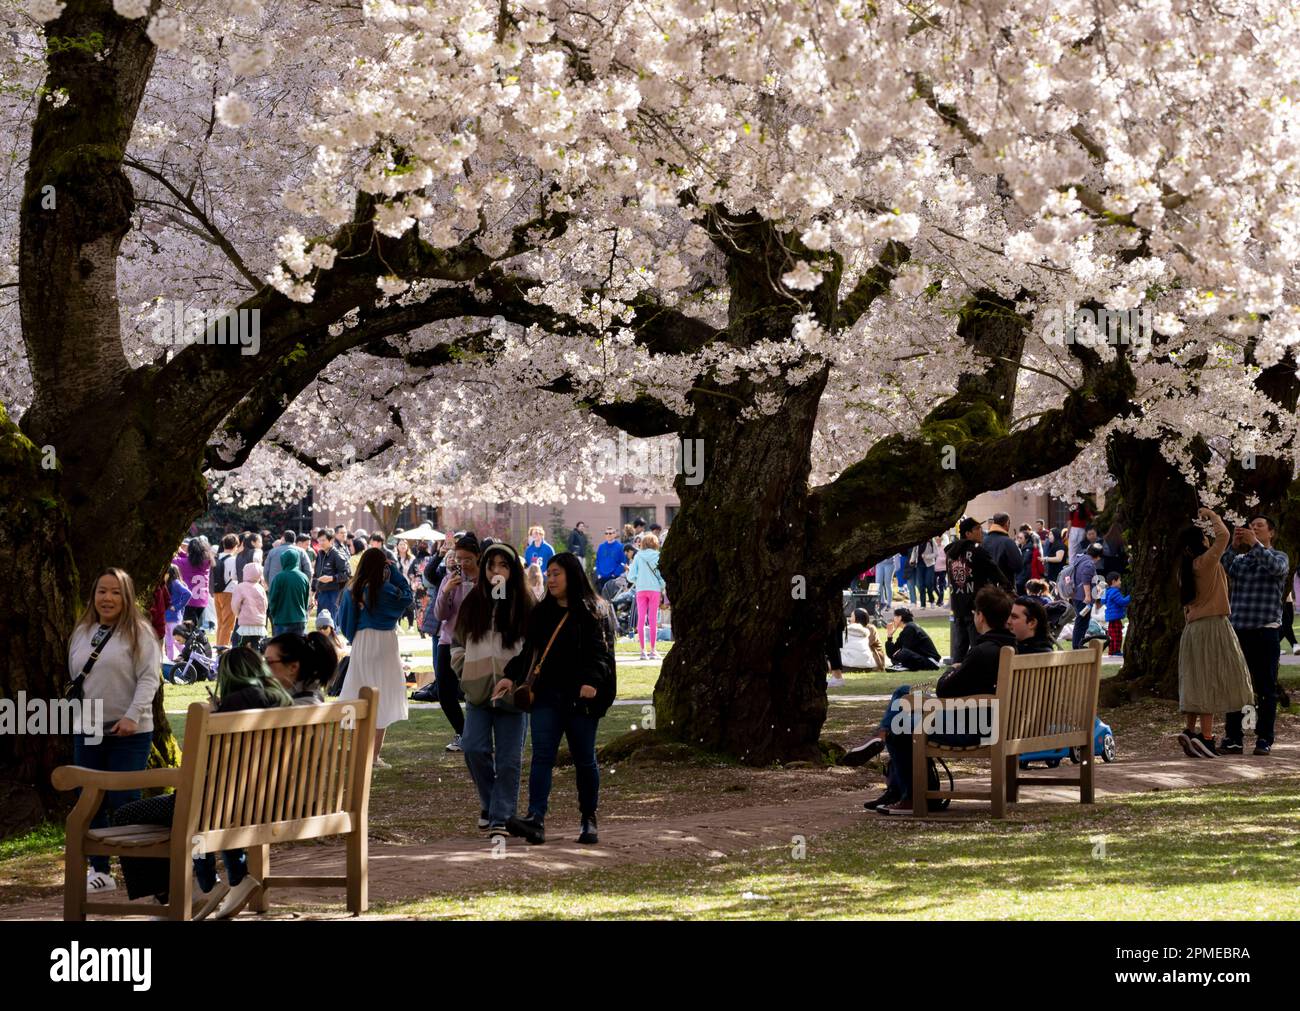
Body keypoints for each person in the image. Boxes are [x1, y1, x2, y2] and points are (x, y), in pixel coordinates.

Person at [109, 646, 294, 919]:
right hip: (262, 800)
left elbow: (201, 762)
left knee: (127, 814)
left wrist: (215, 713)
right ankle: (213, 882)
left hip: (217, 803)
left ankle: (171, 894)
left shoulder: (234, 704)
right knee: (197, 816)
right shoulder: (283, 700)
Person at [866, 588, 1018, 813]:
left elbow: (945, 690)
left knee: (900, 726)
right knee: (904, 692)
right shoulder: (1014, 647)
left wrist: (952, 670)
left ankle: (911, 795)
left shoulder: (984, 651)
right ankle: (900, 783)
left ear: (981, 616)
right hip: (998, 722)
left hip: (976, 727)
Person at [502, 553, 616, 846]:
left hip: (581, 699)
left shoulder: (595, 611)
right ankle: (535, 819)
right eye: (549, 574)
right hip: (547, 696)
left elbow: (601, 653)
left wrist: (591, 682)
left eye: (557, 574)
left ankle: (588, 818)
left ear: (572, 575)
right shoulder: (542, 613)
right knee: (541, 755)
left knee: (584, 759)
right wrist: (510, 675)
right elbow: (530, 652)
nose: (550, 580)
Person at [67, 568, 161, 896]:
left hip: (129, 733)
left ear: (127, 597)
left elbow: (150, 678)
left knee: (125, 802)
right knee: (88, 800)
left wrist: (132, 716)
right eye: (101, 591)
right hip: (89, 728)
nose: (107, 598)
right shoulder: (82, 631)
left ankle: (146, 877)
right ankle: (99, 870)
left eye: (115, 592)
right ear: (93, 596)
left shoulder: (139, 633)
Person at [451, 543, 534, 835]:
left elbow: (535, 650)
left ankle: (500, 818)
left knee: (510, 760)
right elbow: (457, 643)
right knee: (473, 748)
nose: (496, 571)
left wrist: (520, 680)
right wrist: (465, 671)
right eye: (491, 566)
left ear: (513, 571)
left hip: (513, 695)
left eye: (503, 565)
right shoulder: (473, 603)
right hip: (478, 693)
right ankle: (490, 803)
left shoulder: (525, 604)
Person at [1175, 508, 1255, 758]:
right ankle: (1207, 739)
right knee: (1209, 680)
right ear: (1200, 542)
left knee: (1195, 679)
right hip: (1212, 626)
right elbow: (1223, 536)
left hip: (1192, 630)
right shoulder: (1206, 563)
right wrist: (1212, 516)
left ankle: (1190, 731)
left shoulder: (1185, 568)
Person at [337, 547, 415, 767]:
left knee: (358, 691)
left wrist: (355, 636)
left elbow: (345, 622)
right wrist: (396, 573)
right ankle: (373, 756)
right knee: (384, 695)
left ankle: (359, 751)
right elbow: (407, 595)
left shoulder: (354, 589)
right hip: (386, 642)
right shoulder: (389, 590)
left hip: (364, 640)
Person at [1220, 513, 1289, 756]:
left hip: (1266, 632)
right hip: (1238, 631)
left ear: (1271, 533)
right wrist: (1234, 546)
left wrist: (1256, 544)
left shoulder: (1279, 557)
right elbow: (1224, 566)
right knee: (1235, 687)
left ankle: (1264, 739)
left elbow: (1276, 568)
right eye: (1251, 526)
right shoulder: (1241, 560)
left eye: (1259, 526)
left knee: (1265, 688)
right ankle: (1234, 738)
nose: (1254, 529)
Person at [433, 533, 481, 752]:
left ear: (478, 557)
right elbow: (440, 615)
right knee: (445, 691)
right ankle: (463, 732)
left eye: (467, 559)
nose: (462, 563)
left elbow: (499, 609)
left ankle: (475, 735)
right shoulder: (449, 578)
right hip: (449, 640)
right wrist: (446, 591)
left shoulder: (491, 579)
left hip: (477, 642)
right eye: (458, 558)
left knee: (475, 691)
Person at [944, 517, 1007, 663]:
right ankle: (975, 678)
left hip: (958, 605)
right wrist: (1007, 588)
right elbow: (996, 572)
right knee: (978, 645)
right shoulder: (978, 551)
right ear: (968, 533)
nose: (981, 532)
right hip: (975, 606)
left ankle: (955, 677)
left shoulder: (951, 554)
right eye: (977, 529)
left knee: (960, 648)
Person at [264, 630, 339, 705]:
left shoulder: (291, 708)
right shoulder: (312, 696)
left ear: (293, 667)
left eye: (268, 662)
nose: (263, 667)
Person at [627, 531, 665, 660]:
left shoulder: (638, 556)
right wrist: (662, 585)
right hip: (654, 589)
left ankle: (643, 651)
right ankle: (653, 651)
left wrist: (639, 579)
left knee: (641, 619)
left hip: (641, 589)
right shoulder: (659, 556)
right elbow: (661, 575)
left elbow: (630, 577)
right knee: (653, 619)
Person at [268, 546, 311, 636]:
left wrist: (274, 614)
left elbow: (273, 599)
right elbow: (306, 600)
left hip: (281, 619)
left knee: (282, 648)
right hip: (300, 619)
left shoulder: (279, 577)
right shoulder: (304, 577)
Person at [1067, 543, 1104, 650]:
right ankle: (1077, 645)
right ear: (1098, 556)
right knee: (1082, 622)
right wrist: (1088, 596)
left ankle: (1078, 644)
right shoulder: (1089, 564)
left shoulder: (1081, 558)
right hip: (1083, 598)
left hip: (1076, 596)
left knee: (1081, 621)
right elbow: (1086, 580)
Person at [174, 536, 213, 628]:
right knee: (195, 628)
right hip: (202, 600)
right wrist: (181, 552)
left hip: (188, 601)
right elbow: (190, 559)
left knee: (186, 630)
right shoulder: (208, 562)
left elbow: (175, 561)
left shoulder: (184, 562)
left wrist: (177, 551)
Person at [312, 529, 350, 622]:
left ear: (331, 540)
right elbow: (316, 575)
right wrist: (312, 593)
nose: (321, 543)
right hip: (321, 593)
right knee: (321, 623)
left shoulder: (337, 555)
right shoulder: (320, 554)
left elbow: (346, 574)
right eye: (319, 540)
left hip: (333, 593)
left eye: (323, 540)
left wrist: (332, 578)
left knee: (330, 624)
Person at [211, 533, 240, 648]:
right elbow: (234, 576)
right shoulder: (233, 560)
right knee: (228, 623)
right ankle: (222, 649)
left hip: (217, 591)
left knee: (220, 622)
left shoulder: (216, 557)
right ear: (235, 546)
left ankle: (219, 644)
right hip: (229, 591)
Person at [984, 513, 1023, 590]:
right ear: (1007, 523)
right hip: (1005, 589)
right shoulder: (1008, 542)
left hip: (986, 590)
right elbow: (1018, 566)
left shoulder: (983, 541)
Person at [163, 563, 191, 662]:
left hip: (174, 618)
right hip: (167, 619)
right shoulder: (168, 584)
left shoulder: (175, 583)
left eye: (165, 573)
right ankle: (170, 662)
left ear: (170, 574)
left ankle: (190, 657)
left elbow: (188, 593)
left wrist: (177, 607)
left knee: (177, 642)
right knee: (169, 643)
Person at [1102, 572, 1131, 656]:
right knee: (1117, 635)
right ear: (1114, 581)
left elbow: (1102, 601)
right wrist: (1131, 596)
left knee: (1112, 634)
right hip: (1115, 617)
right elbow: (1122, 602)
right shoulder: (1115, 592)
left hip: (1111, 618)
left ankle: (1112, 650)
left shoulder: (1107, 591)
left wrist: (1103, 591)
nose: (1120, 582)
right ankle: (1115, 651)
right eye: (1119, 580)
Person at [594, 526, 624, 591]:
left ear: (615, 534)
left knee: (611, 599)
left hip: (613, 578)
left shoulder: (620, 546)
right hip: (601, 577)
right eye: (606, 533)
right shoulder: (601, 546)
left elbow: (622, 562)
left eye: (610, 533)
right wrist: (598, 573)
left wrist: (615, 574)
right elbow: (597, 561)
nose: (608, 535)